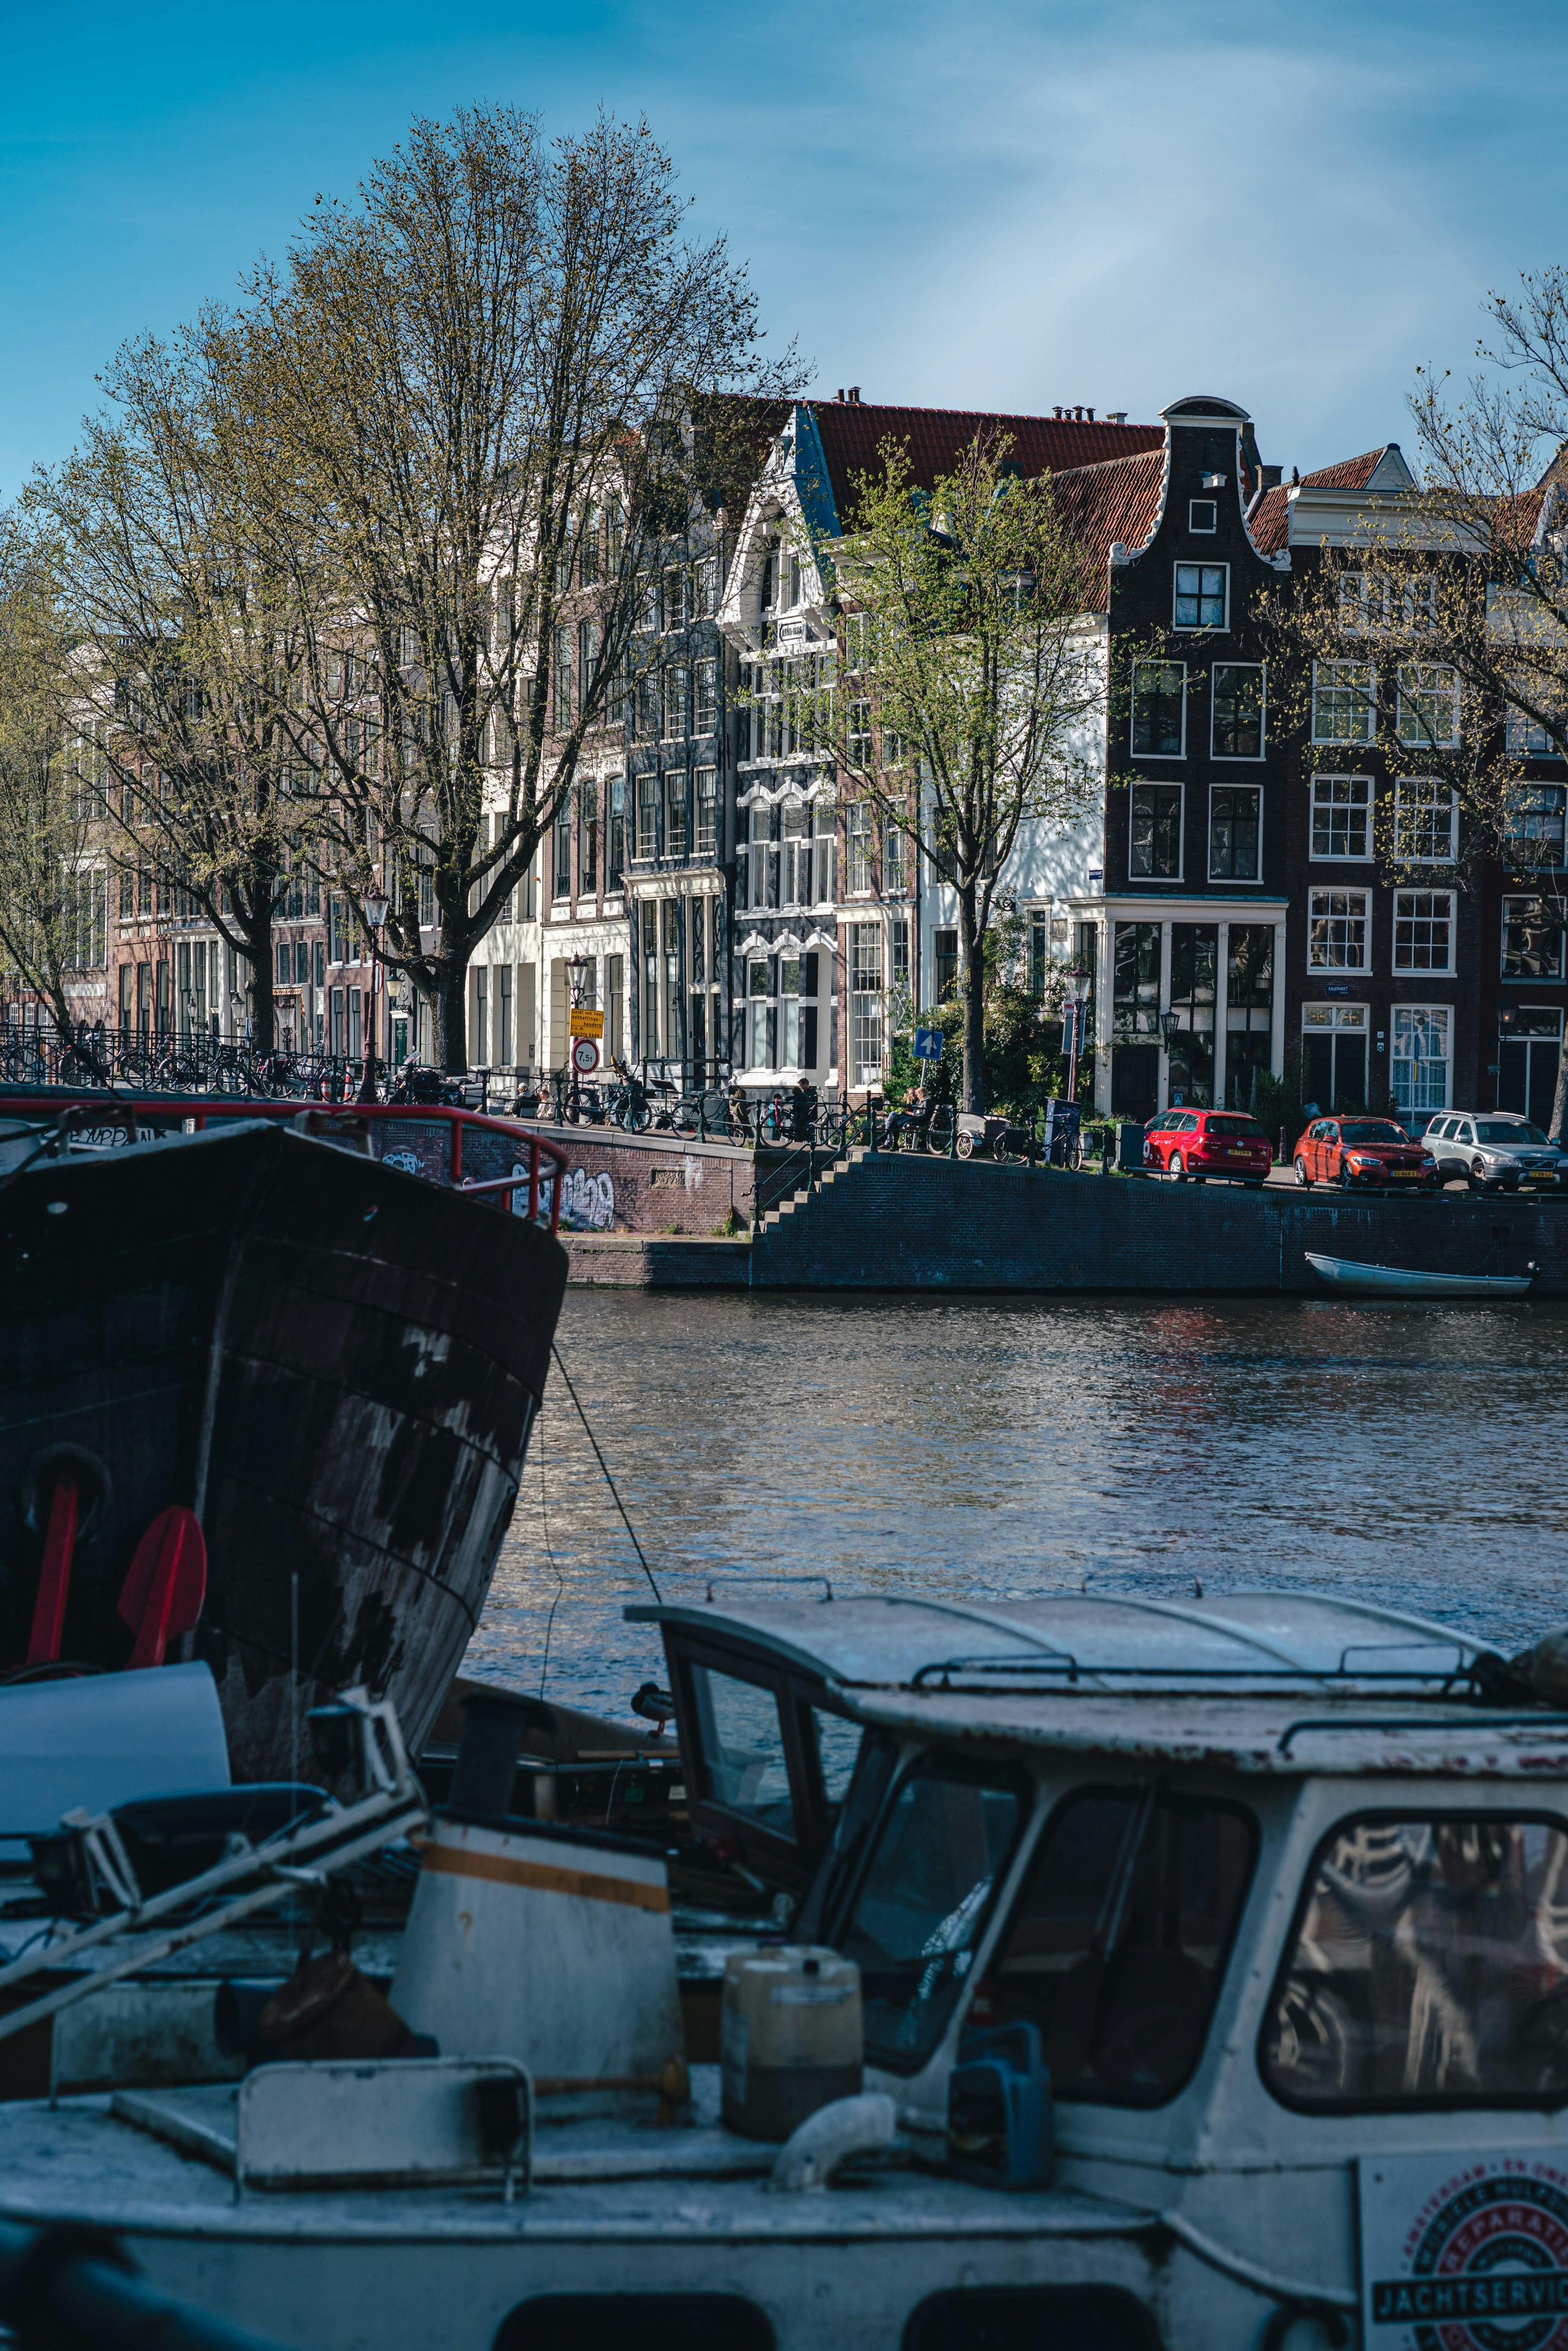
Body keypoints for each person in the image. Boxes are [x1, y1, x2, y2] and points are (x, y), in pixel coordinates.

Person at [789, 1073, 817, 1142]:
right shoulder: (805, 1092)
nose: (802, 1087)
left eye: (802, 1086)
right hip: (805, 1115)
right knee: (806, 1131)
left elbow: (812, 1104)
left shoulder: (813, 1092)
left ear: (807, 1083)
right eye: (800, 1086)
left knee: (810, 1132)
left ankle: (812, 1146)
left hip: (810, 1115)